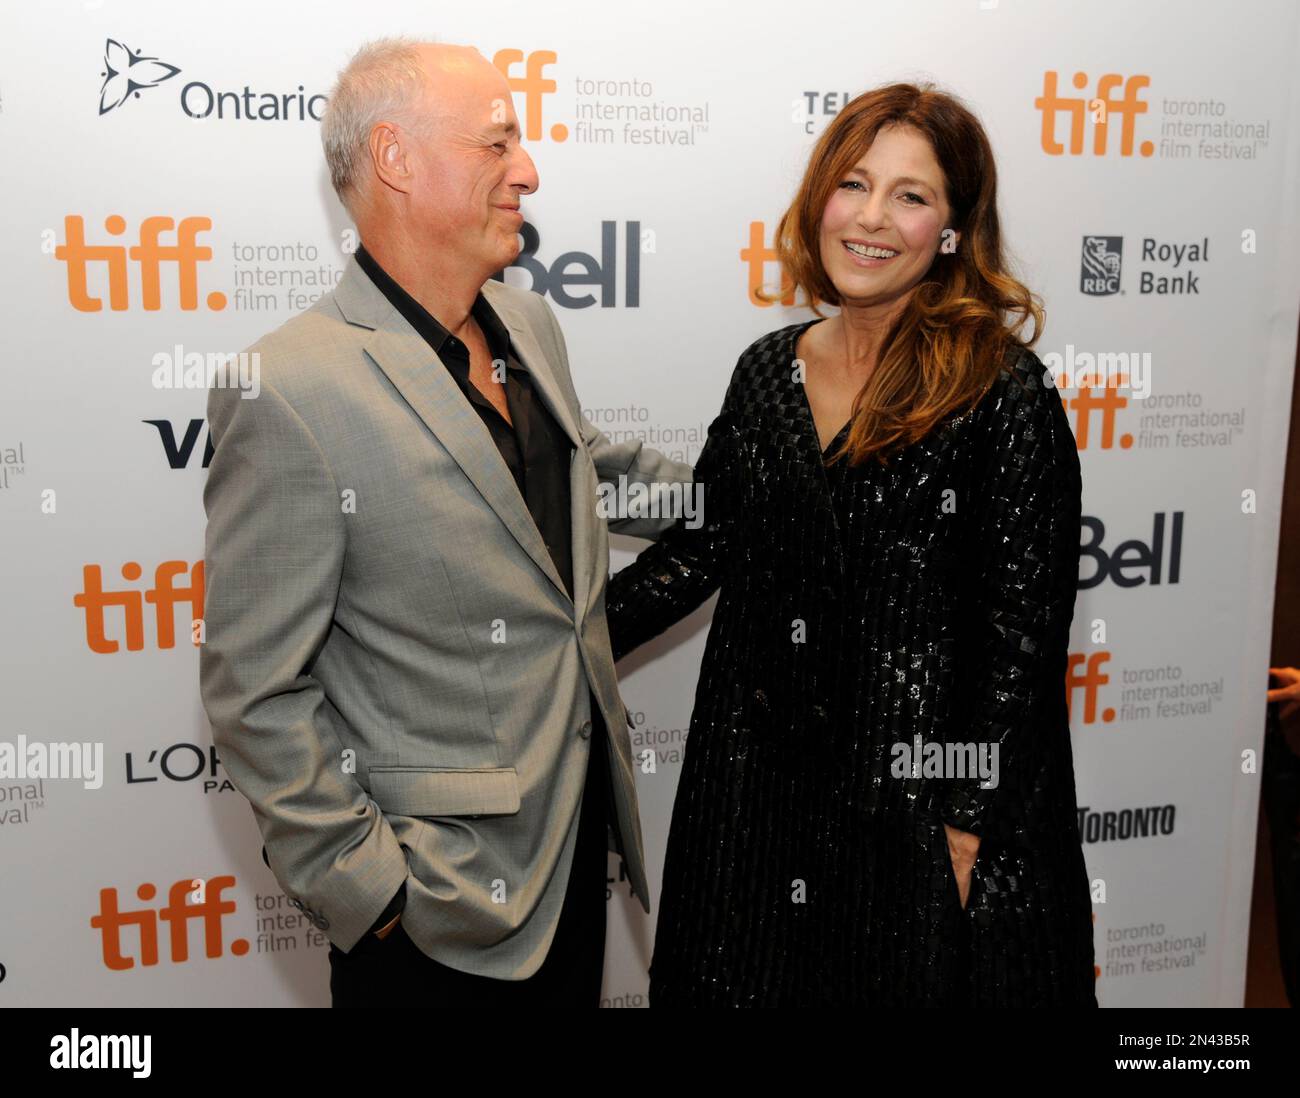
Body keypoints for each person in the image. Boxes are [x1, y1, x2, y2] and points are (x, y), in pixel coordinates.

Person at [198, 38, 693, 1007]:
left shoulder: (528, 324)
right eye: (498, 142)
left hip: (573, 853)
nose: (529, 171)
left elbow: (596, 479)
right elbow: (254, 690)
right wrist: (368, 889)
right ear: (396, 158)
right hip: (435, 908)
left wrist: (791, 482)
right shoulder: (290, 389)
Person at [606, 82, 1097, 1006]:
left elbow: (1021, 639)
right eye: (853, 185)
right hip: (761, 804)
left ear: (953, 229)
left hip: (913, 813)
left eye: (911, 196)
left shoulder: (1002, 392)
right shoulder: (767, 370)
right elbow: (699, 549)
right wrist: (548, 640)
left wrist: (961, 831)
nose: (872, 218)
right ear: (818, 198)